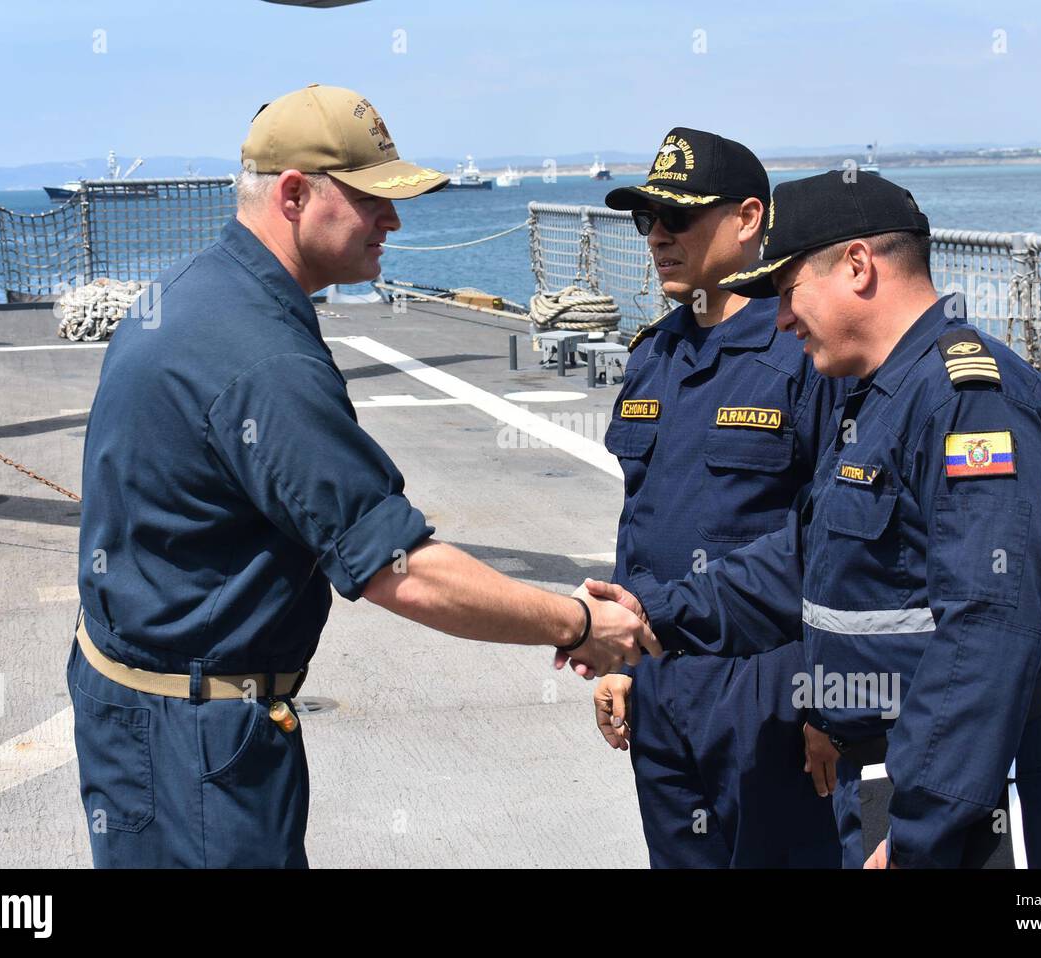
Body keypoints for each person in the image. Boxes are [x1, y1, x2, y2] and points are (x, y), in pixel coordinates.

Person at [68, 84, 658, 869]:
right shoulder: (262, 359)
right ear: (292, 194)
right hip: (196, 742)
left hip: (141, 706)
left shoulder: (189, 292)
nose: (394, 219)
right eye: (371, 198)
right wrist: (581, 625)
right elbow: (401, 572)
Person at [582, 170, 1041, 868]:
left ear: (857, 266)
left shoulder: (968, 405)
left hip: (960, 787)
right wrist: (649, 614)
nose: (781, 319)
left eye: (787, 294)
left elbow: (987, 634)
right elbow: (802, 560)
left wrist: (918, 835)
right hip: (878, 775)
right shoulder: (880, 400)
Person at [588, 128, 841, 867]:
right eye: (647, 221)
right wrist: (618, 661)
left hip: (769, 690)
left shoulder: (806, 354)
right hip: (661, 682)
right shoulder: (653, 357)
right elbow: (640, 523)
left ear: (748, 218)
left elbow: (835, 543)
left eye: (679, 217)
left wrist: (831, 704)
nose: (659, 236)